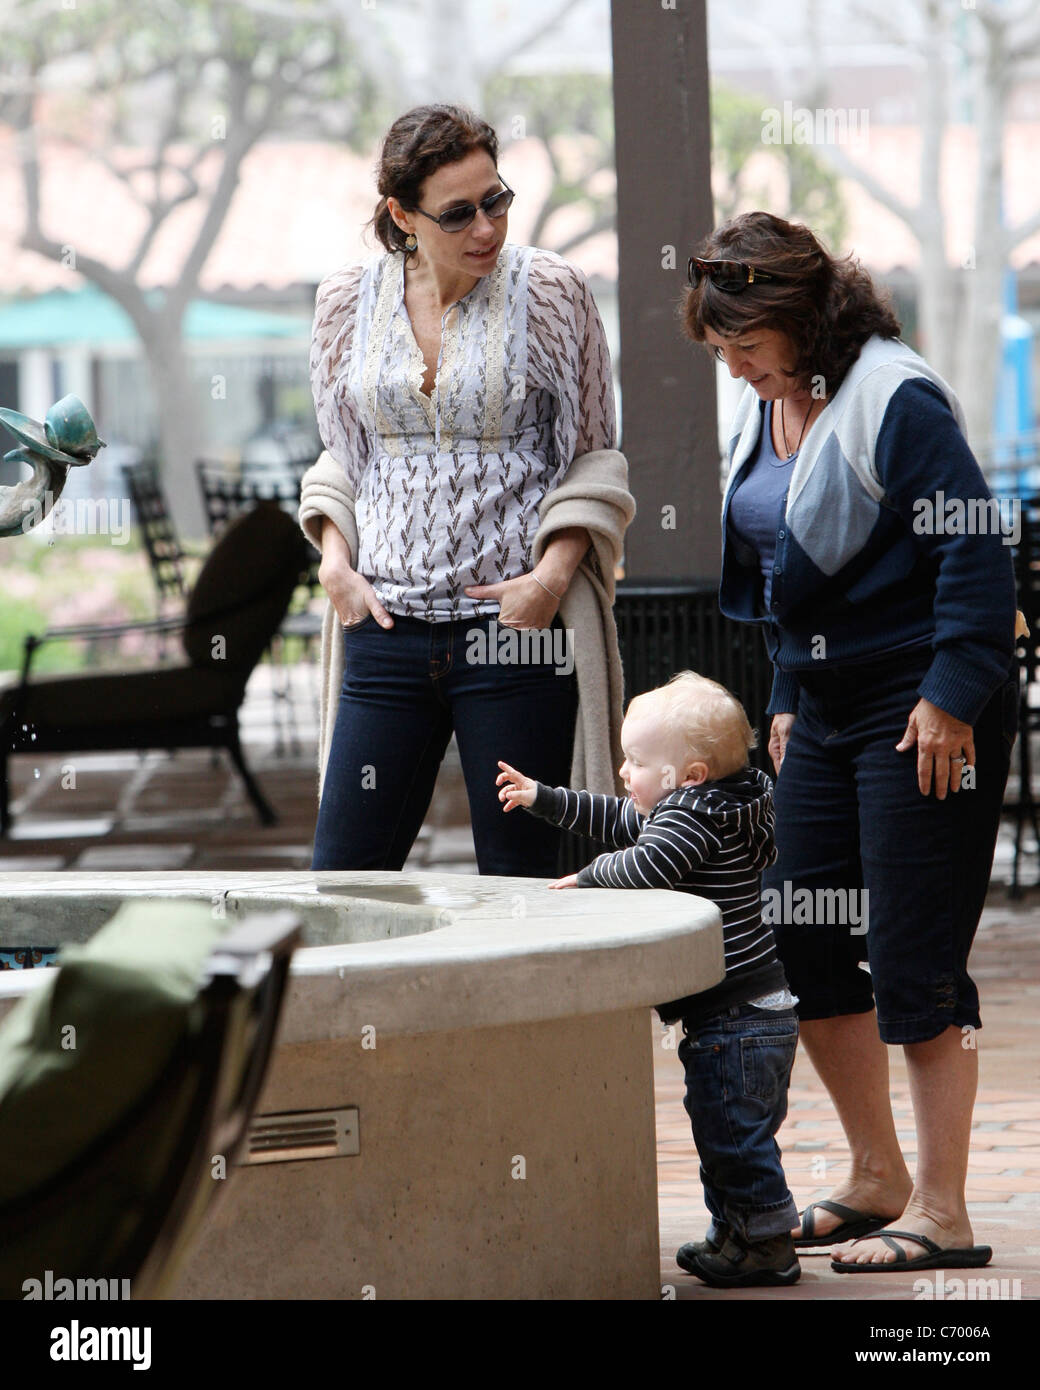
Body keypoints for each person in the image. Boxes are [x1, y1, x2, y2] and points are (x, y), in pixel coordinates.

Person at [682, 211, 1019, 1272]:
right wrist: (783, 691)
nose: (730, 367)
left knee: (914, 952)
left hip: (919, 701)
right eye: (719, 350)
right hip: (823, 707)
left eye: (743, 345)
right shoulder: (776, 401)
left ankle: (944, 1211)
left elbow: (973, 542)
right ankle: (873, 1177)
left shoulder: (893, 394)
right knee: (804, 932)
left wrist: (953, 694)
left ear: (797, 320)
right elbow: (789, 569)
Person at [298, 104, 634, 875]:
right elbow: (343, 457)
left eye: (498, 199)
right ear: (401, 215)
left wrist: (549, 582)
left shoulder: (553, 291)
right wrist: (335, 565)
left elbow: (591, 460)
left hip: (515, 634)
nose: (486, 227)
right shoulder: (346, 301)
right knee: (344, 877)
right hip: (384, 630)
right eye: (458, 213)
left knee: (525, 882)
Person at [497, 671, 802, 1287]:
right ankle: (735, 1233)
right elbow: (621, 818)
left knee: (735, 1140)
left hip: (735, 1021)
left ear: (687, 775)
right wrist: (544, 797)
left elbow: (646, 861)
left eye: (635, 761)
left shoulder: (692, 818)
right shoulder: (718, 802)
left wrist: (588, 878)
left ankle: (767, 1247)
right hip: (757, 1012)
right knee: (729, 1131)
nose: (623, 772)